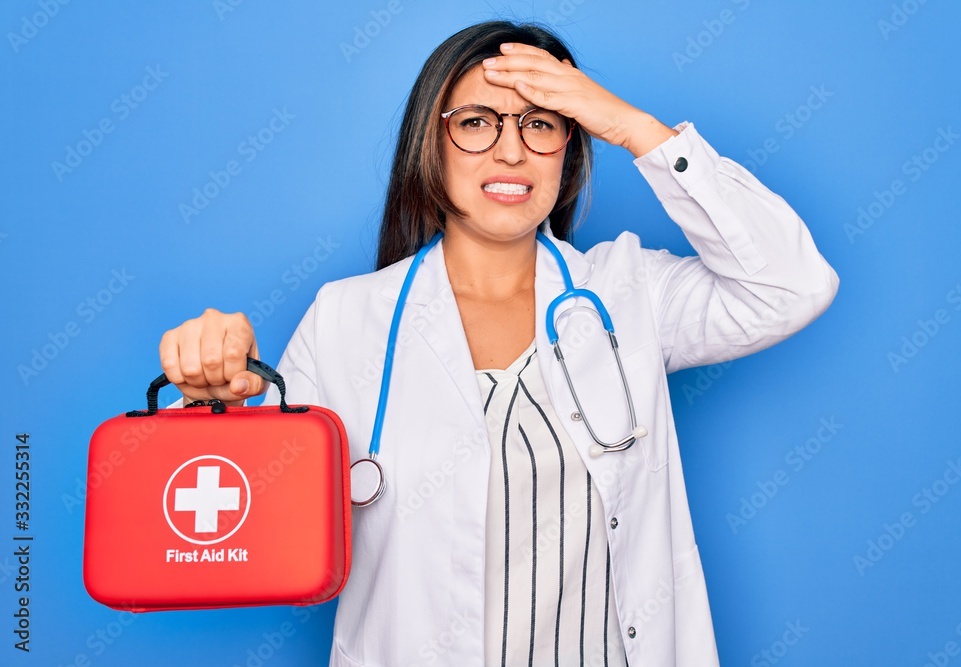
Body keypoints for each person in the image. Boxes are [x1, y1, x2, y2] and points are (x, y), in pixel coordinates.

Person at [159, 20, 838, 667]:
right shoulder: (349, 320)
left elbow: (791, 285)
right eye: (478, 123)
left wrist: (635, 130)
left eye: (540, 123)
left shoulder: (628, 294)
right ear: (433, 142)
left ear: (571, 146)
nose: (511, 151)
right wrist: (211, 393)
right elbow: (250, 516)